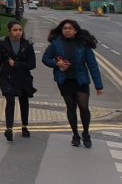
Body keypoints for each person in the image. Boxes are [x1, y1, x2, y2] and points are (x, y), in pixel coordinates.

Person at [42, 18, 104, 148]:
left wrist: (99, 86)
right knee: (71, 108)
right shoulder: (56, 44)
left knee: (84, 107)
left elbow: (92, 65)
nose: (67, 31)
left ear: (75, 31)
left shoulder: (83, 44)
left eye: (70, 28)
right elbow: (45, 59)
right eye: (65, 28)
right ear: (61, 30)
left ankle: (86, 134)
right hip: (64, 81)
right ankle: (75, 135)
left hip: (81, 80)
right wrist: (56, 63)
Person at [0, 20, 36, 141]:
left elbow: (32, 64)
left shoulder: (27, 45)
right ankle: (9, 128)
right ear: (9, 31)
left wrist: (17, 64)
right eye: (15, 30)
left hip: (23, 78)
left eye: (20, 30)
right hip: (7, 78)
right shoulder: (3, 45)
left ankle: (24, 126)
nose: (18, 32)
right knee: (10, 101)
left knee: (24, 102)